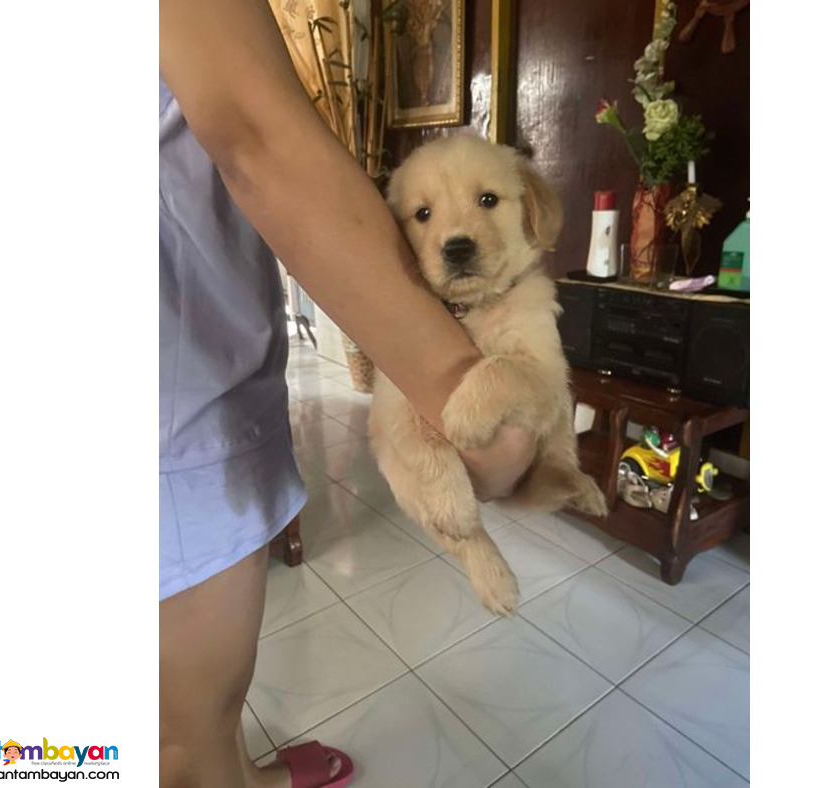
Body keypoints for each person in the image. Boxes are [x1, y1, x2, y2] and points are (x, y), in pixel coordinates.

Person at [159, 1, 538, 786]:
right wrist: (462, 391)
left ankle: (244, 771)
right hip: (170, 409)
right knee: (179, 740)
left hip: (190, 377)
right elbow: (257, 135)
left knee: (199, 709)